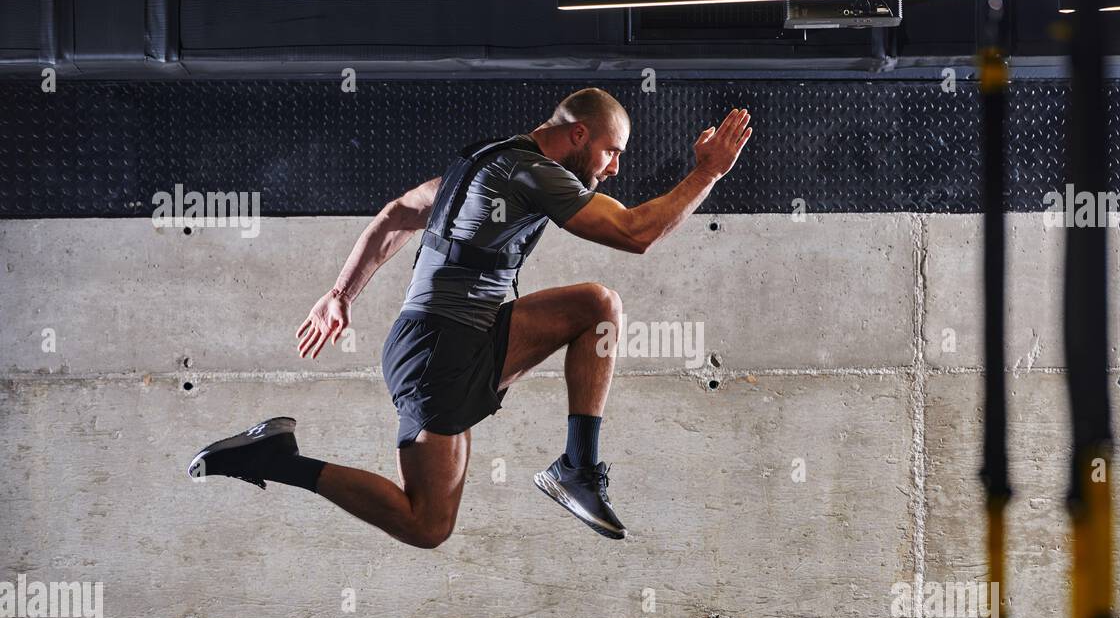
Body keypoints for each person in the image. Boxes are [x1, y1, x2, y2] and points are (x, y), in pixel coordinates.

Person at [188, 88, 752, 547]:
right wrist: (707, 174)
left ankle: (274, 458)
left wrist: (340, 294)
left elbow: (396, 215)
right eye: (611, 152)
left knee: (428, 525)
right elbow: (635, 232)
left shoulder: (482, 162)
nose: (613, 169)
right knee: (597, 306)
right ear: (579, 133)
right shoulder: (531, 171)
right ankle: (577, 470)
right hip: (443, 348)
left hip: (444, 343)